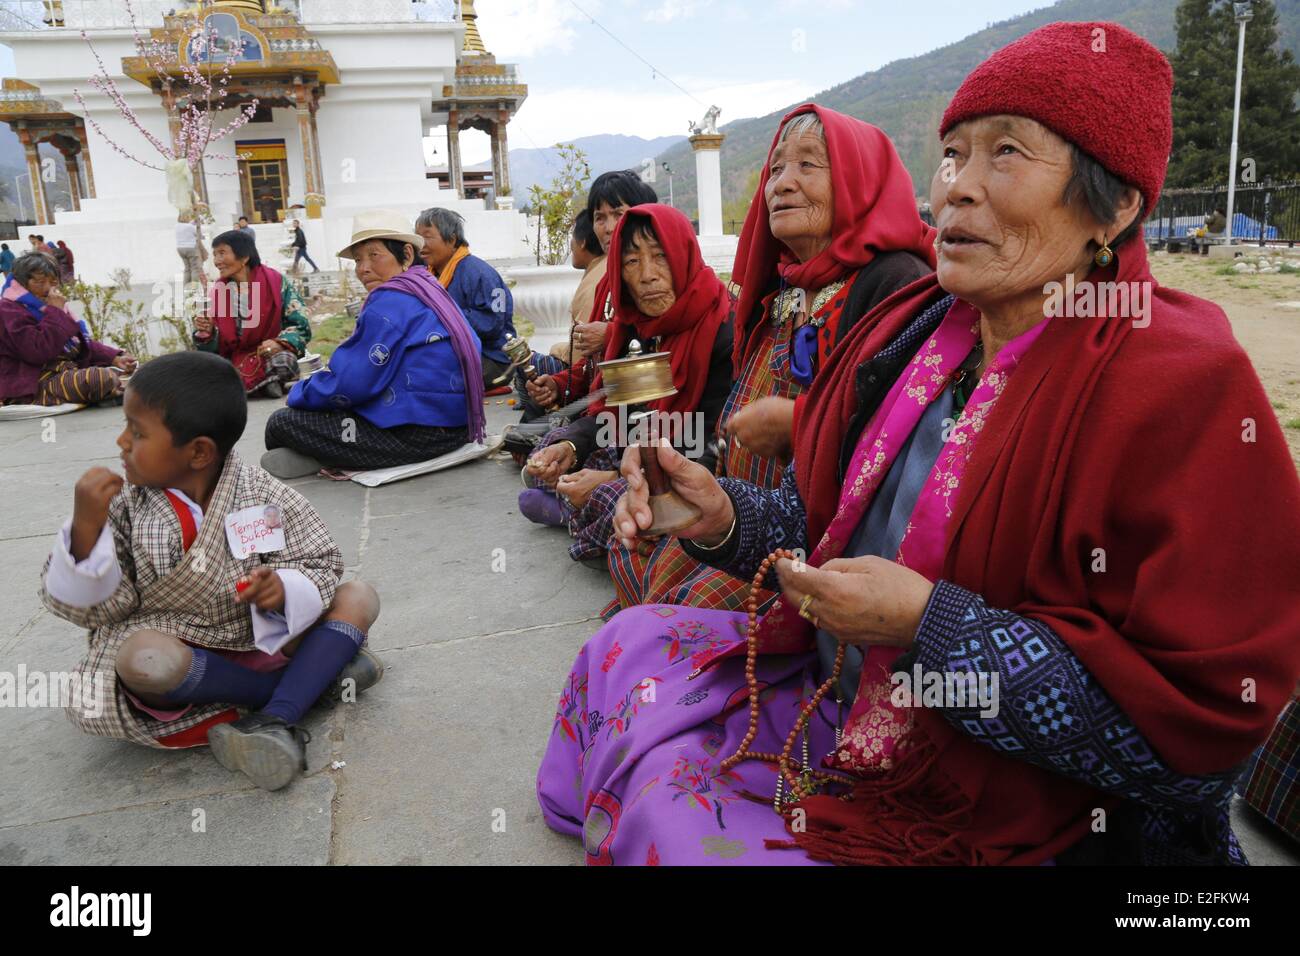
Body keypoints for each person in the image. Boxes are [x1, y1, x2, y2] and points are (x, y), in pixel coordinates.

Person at [537, 22, 1300, 866]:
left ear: (1114, 206)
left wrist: (931, 626)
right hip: (834, 694)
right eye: (950, 156)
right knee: (625, 650)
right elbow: (814, 527)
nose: (956, 191)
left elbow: (1200, 744)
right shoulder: (911, 336)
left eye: (1004, 154)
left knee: (685, 838)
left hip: (1009, 799)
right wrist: (718, 515)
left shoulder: (1179, 386)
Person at [602, 105, 936, 617]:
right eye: (775, 169)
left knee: (672, 616)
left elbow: (898, 440)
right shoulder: (785, 287)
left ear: (857, 178)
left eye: (808, 165)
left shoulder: (892, 282)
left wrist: (800, 427)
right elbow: (700, 425)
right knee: (629, 548)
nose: (782, 183)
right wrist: (657, 465)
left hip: (812, 532)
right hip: (738, 500)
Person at [39, 351, 384, 790]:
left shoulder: (262, 493)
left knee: (358, 596)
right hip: (185, 659)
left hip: (260, 638)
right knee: (142, 659)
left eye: (137, 432)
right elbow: (105, 609)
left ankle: (278, 716)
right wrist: (85, 529)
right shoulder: (126, 506)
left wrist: (284, 589)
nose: (122, 443)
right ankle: (300, 690)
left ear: (199, 451)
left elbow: (317, 561)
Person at [518, 204, 734, 548]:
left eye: (660, 256)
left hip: (694, 464)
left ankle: (575, 511)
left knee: (618, 502)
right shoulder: (636, 329)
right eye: (632, 262)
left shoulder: (720, 327)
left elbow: (708, 440)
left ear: (683, 255)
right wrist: (572, 446)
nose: (647, 275)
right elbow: (621, 415)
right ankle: (577, 503)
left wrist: (618, 475)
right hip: (637, 449)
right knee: (549, 450)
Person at [262, 209, 486, 477]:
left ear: (406, 254)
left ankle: (327, 454)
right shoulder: (431, 288)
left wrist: (300, 393)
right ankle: (329, 454)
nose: (363, 268)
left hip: (418, 435)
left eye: (374, 256)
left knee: (282, 423)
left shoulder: (390, 300)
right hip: (456, 427)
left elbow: (352, 381)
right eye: (358, 260)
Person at [524, 170, 658, 414]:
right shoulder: (608, 281)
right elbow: (592, 367)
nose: (608, 228)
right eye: (599, 218)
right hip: (611, 402)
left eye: (618, 214)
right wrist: (558, 384)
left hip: (661, 417)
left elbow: (659, 358)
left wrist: (611, 334)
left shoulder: (656, 276)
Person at [1, 251, 136, 407]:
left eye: (52, 282)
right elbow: (37, 351)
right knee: (98, 378)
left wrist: (114, 358)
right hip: (33, 384)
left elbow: (78, 343)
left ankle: (113, 389)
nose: (47, 289)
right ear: (22, 283)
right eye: (39, 282)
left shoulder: (49, 307)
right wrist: (56, 313)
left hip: (64, 373)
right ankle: (113, 390)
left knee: (136, 374)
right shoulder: (8, 310)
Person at [512, 210, 608, 422]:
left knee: (527, 365)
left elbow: (581, 354)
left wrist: (559, 352)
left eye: (573, 237)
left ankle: (537, 423)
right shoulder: (602, 269)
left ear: (582, 242)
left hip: (591, 375)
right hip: (590, 371)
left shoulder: (599, 278)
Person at [192, 229, 311, 397]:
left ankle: (241, 387)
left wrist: (279, 342)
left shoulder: (276, 282)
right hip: (233, 359)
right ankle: (266, 384)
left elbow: (300, 325)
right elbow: (213, 346)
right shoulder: (219, 291)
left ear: (244, 257)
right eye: (215, 255)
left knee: (285, 360)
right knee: (204, 369)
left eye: (222, 253)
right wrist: (209, 331)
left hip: (269, 355)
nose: (217, 261)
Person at [415, 207, 516, 389]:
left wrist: (442, 315)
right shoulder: (428, 275)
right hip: (457, 353)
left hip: (492, 359)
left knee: (425, 377)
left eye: (428, 237)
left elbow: (491, 324)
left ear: (452, 239)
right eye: (418, 237)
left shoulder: (479, 273)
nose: (421, 245)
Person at [175, 213, 208, 291]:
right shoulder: (190, 227)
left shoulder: (176, 226)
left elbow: (189, 225)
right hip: (191, 248)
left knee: (187, 268)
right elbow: (199, 234)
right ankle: (194, 288)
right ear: (186, 218)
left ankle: (186, 287)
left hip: (180, 248)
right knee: (194, 268)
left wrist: (195, 220)